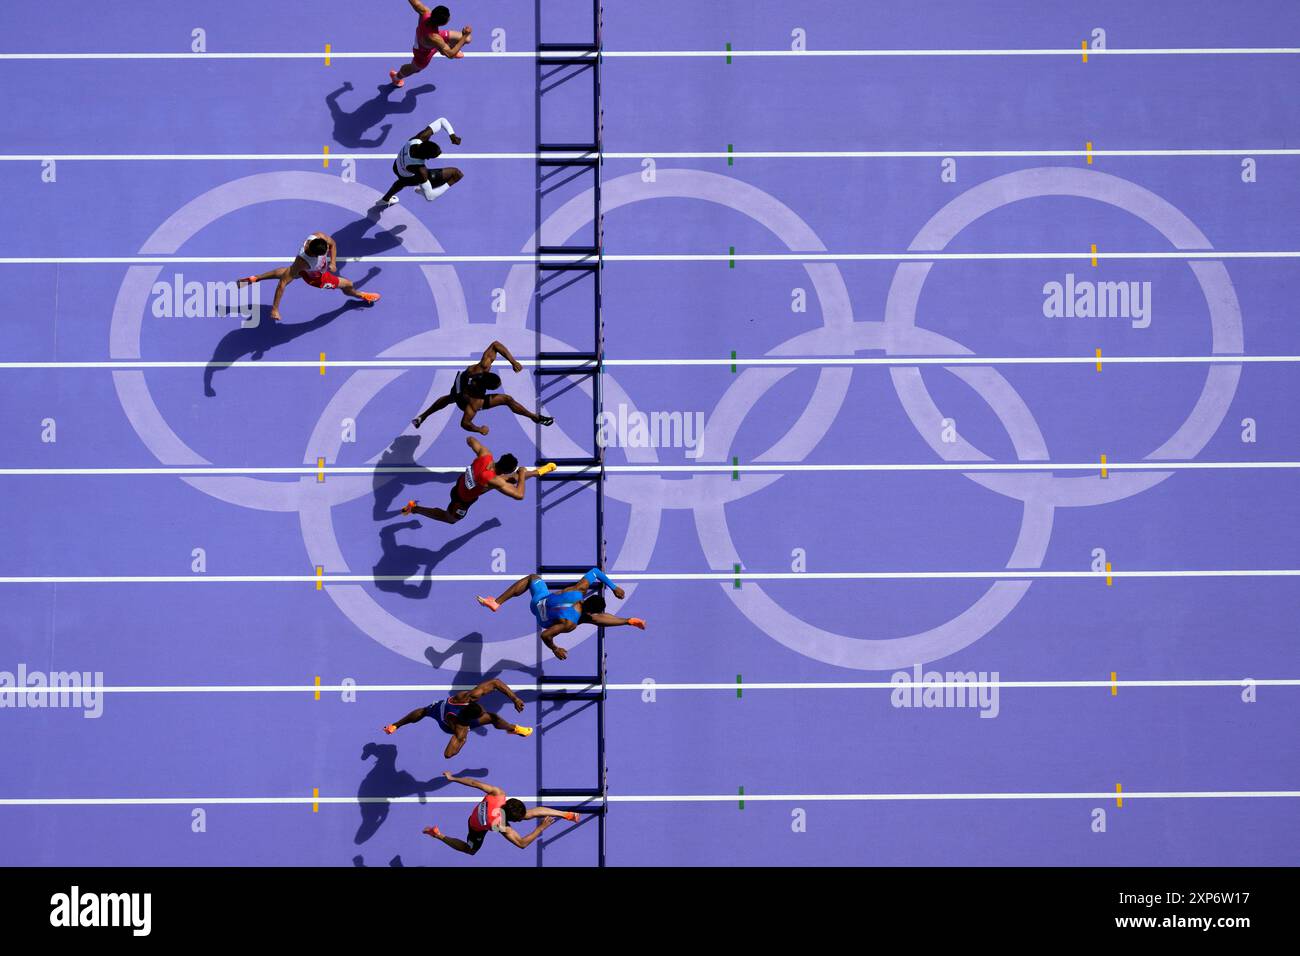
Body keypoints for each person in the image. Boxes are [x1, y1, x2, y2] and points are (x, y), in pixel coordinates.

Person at [478, 568, 646, 661]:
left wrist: (613, 586)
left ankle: (497, 602)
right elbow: (545, 635)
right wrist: (555, 648)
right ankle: (628, 621)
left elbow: (595, 572)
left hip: (539, 600)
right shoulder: (570, 624)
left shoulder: (578, 590)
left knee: (532, 577)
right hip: (543, 618)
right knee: (591, 619)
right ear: (591, 608)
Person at [401, 435, 555, 524]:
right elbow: (519, 495)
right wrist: (521, 473)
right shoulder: (494, 480)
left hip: (459, 484)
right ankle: (415, 509)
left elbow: (470, 439)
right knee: (450, 519)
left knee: (508, 480)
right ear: (506, 469)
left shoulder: (485, 455)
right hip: (461, 501)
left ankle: (539, 471)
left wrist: (480, 430)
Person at [413, 340, 554, 432]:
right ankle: (424, 416)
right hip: (463, 395)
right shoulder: (475, 403)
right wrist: (479, 429)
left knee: (450, 397)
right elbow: (464, 423)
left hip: (461, 380)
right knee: (453, 398)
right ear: (488, 388)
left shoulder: (482, 367)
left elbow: (496, 344)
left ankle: (422, 417)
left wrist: (513, 361)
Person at [423, 772, 578, 855]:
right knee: (470, 850)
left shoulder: (498, 794)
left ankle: (566, 814)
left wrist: (453, 778)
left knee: (527, 813)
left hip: (487, 815)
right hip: (475, 827)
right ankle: (438, 834)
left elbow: (473, 783)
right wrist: (540, 828)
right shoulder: (498, 825)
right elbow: (522, 844)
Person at [237, 232, 379, 321]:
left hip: (310, 269)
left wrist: (333, 262)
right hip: (316, 277)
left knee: (289, 271)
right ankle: (360, 295)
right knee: (347, 284)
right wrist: (275, 308)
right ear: (312, 253)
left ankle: (256, 278)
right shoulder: (303, 262)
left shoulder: (319, 237)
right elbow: (282, 284)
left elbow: (333, 244)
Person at [383, 678, 532, 758]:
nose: (483, 711)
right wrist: (462, 741)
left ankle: (395, 725)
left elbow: (495, 682)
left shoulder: (465, 697)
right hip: (446, 723)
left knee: (423, 711)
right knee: (492, 717)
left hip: (439, 707)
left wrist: (515, 698)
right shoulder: (461, 729)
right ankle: (514, 728)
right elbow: (448, 754)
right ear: (469, 719)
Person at [376, 118, 464, 208]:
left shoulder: (418, 138)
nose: (440, 152)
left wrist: (452, 135)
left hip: (396, 167)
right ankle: (423, 189)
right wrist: (452, 181)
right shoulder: (421, 170)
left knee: (402, 182)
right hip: (408, 175)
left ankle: (385, 200)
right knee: (455, 173)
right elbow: (430, 197)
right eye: (435, 155)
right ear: (427, 158)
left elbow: (442, 121)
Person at [390, 1, 472, 88]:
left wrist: (464, 38)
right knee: (414, 69)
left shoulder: (424, 11)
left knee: (467, 39)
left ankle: (446, 48)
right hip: (423, 54)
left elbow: (414, 2)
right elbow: (450, 54)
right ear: (443, 23)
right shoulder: (435, 38)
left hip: (430, 38)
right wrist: (465, 35)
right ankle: (396, 77)